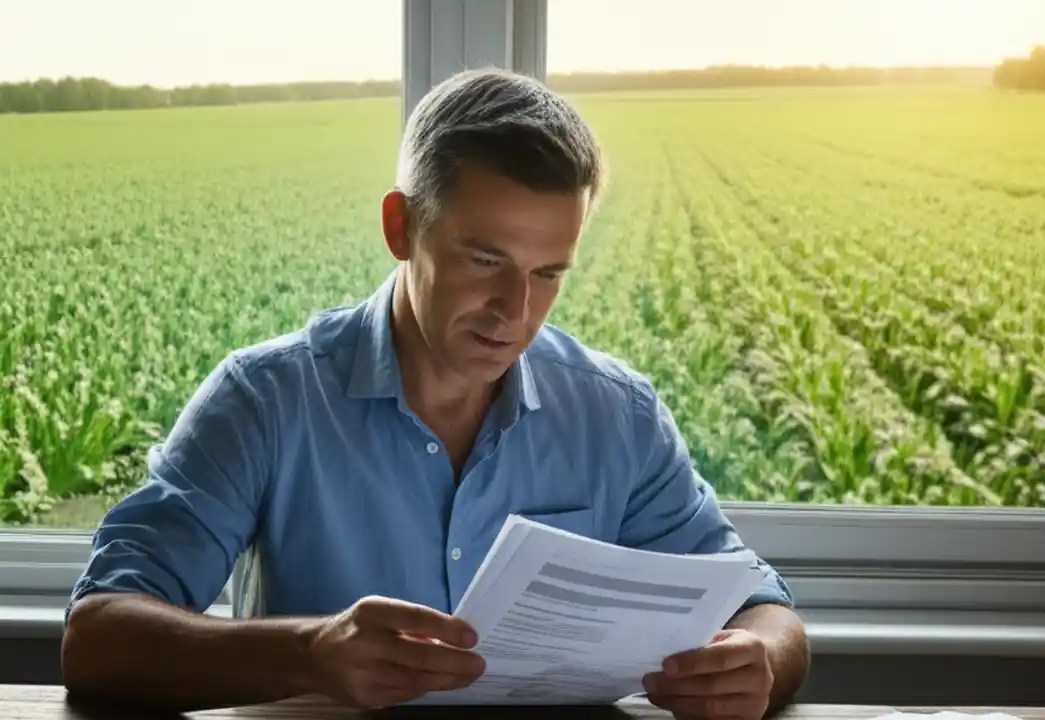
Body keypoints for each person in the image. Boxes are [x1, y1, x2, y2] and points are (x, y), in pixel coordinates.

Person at [61, 68, 809, 718]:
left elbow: (766, 609)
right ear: (401, 225)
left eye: (548, 273)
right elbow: (97, 637)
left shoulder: (618, 415)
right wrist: (309, 651)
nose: (515, 310)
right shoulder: (266, 399)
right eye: (486, 259)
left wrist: (759, 663)